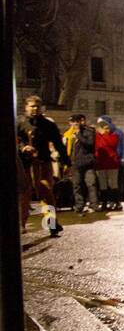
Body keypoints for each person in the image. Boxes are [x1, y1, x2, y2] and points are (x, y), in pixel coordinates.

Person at [19, 96, 70, 233]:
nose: (34, 109)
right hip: (24, 164)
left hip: (43, 162)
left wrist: (66, 160)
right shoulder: (19, 122)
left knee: (46, 191)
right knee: (25, 193)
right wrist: (23, 148)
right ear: (26, 107)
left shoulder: (48, 124)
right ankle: (21, 224)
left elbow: (58, 143)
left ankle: (52, 223)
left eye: (37, 106)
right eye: (31, 106)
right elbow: (14, 140)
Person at [67, 114, 98, 213]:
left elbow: (90, 144)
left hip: (87, 162)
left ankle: (94, 204)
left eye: (76, 121)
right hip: (76, 163)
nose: (74, 124)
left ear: (80, 122)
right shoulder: (68, 134)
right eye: (72, 122)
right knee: (77, 185)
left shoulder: (89, 131)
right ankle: (79, 205)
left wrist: (78, 134)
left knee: (91, 184)